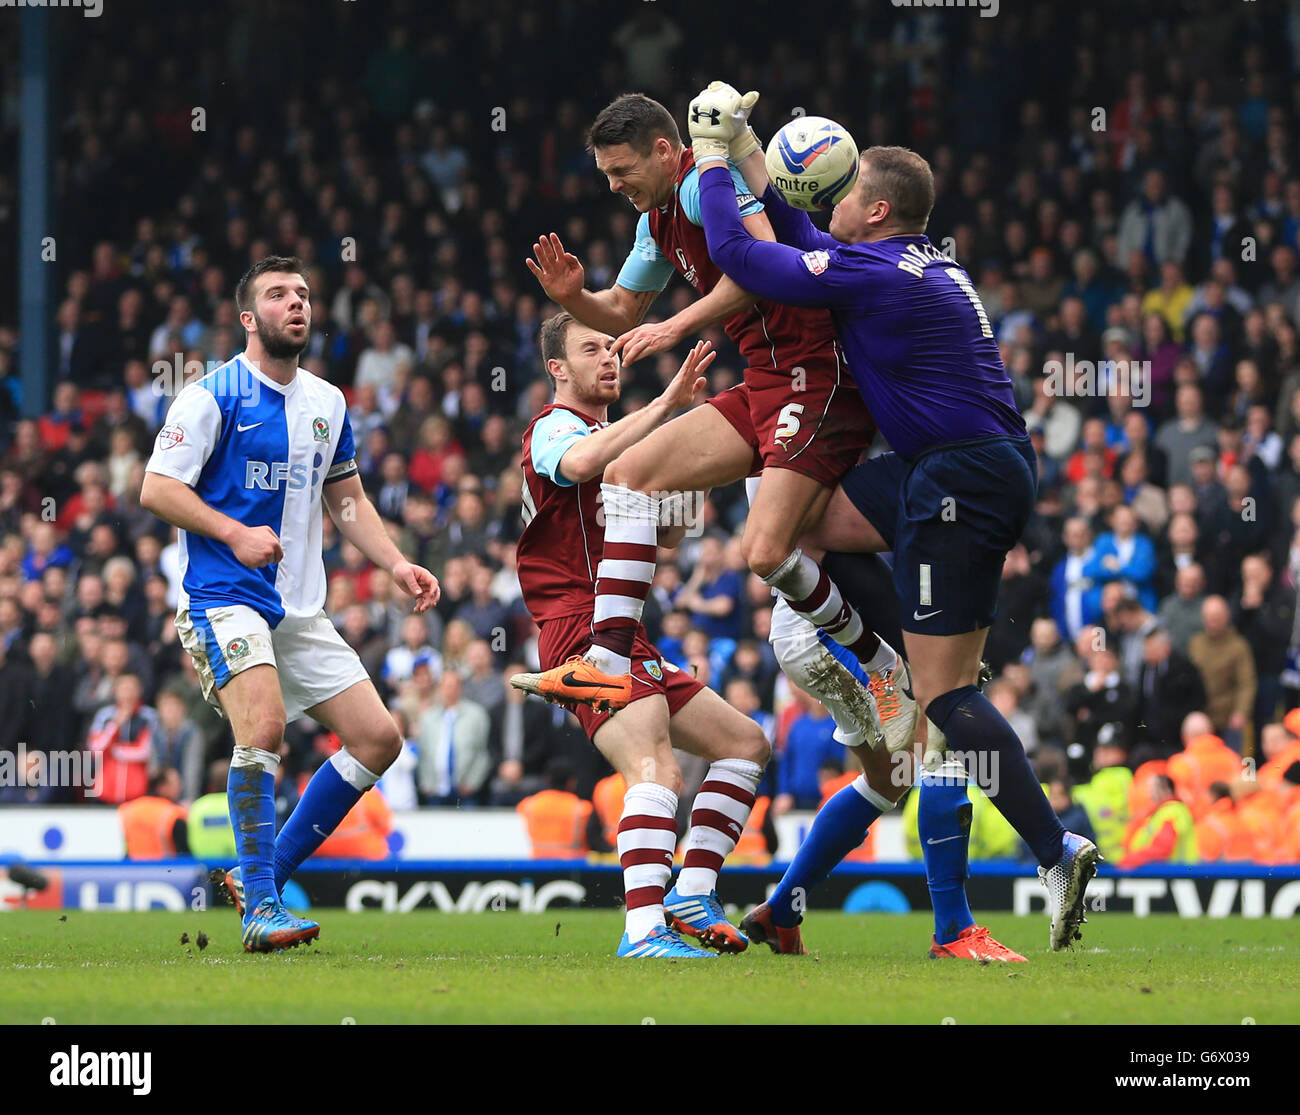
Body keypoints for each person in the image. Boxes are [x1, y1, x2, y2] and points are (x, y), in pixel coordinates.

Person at [689, 81, 1099, 951]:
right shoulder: (905, 264)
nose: (825, 203)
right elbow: (796, 236)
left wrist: (713, 156)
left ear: (875, 210)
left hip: (957, 476)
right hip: (941, 472)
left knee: (945, 697)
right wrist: (753, 141)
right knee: (801, 520)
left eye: (843, 193)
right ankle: (870, 646)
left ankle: (1054, 847)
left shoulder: (873, 273)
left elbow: (744, 251)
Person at [519, 91, 917, 755]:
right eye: (606, 175)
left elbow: (769, 267)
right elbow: (620, 305)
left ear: (666, 151)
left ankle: (882, 667)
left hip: (817, 374)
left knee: (764, 552)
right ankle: (609, 665)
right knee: (631, 474)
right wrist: (573, 298)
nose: (614, 186)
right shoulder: (656, 219)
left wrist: (675, 323)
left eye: (622, 171)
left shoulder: (708, 189)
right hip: (764, 378)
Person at [140, 256, 440, 952]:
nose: (296, 303)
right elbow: (157, 488)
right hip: (223, 596)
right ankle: (262, 908)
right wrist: (234, 532)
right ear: (249, 319)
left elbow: (349, 500)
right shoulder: (212, 396)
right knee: (266, 726)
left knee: (378, 739)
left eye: (303, 294)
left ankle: (260, 877)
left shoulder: (328, 402)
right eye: (278, 295)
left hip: (299, 610)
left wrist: (396, 562)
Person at [507, 313, 770, 959]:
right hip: (580, 629)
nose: (608, 358)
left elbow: (671, 538)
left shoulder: (621, 438)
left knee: (744, 743)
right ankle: (644, 930)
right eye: (590, 349)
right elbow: (582, 461)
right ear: (558, 369)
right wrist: (665, 408)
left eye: (613, 347)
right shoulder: (554, 427)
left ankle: (692, 892)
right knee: (655, 767)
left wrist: (695, 467)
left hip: (625, 629)